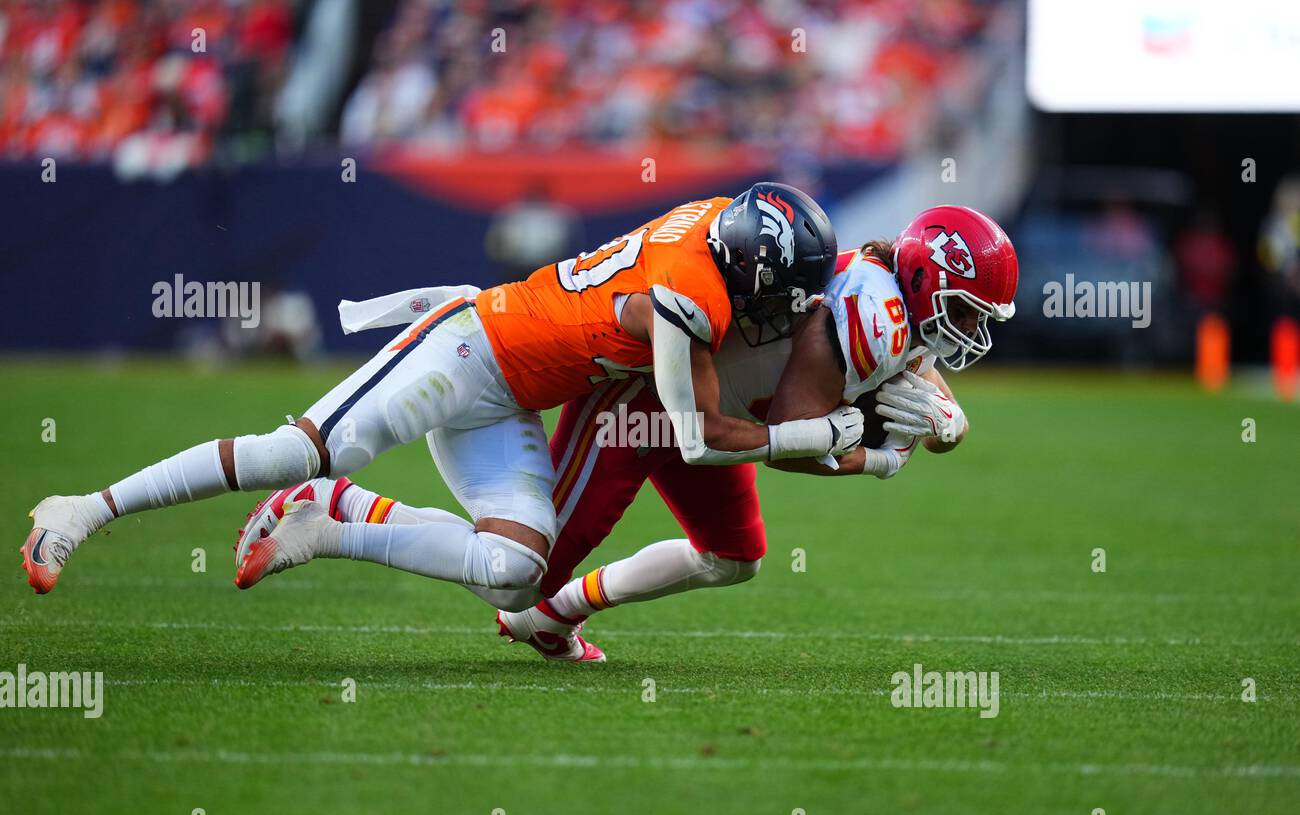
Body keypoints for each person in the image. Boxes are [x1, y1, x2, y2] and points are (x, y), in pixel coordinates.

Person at [23, 184, 858, 618]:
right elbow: (699, 436)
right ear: (753, 267)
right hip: (471, 350)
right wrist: (827, 437)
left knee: (515, 576)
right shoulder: (690, 297)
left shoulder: (718, 228)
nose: (789, 311)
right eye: (785, 293)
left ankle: (333, 518)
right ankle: (84, 508)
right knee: (299, 447)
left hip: (513, 399)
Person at [234, 206, 1019, 662]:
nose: (971, 332)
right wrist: (874, 459)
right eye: (968, 309)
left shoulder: (892, 306)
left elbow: (907, 381)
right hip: (644, 402)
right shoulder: (867, 318)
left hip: (713, 413)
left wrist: (941, 429)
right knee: (510, 574)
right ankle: (340, 505)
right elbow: (793, 442)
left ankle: (556, 618)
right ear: (919, 281)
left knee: (732, 558)